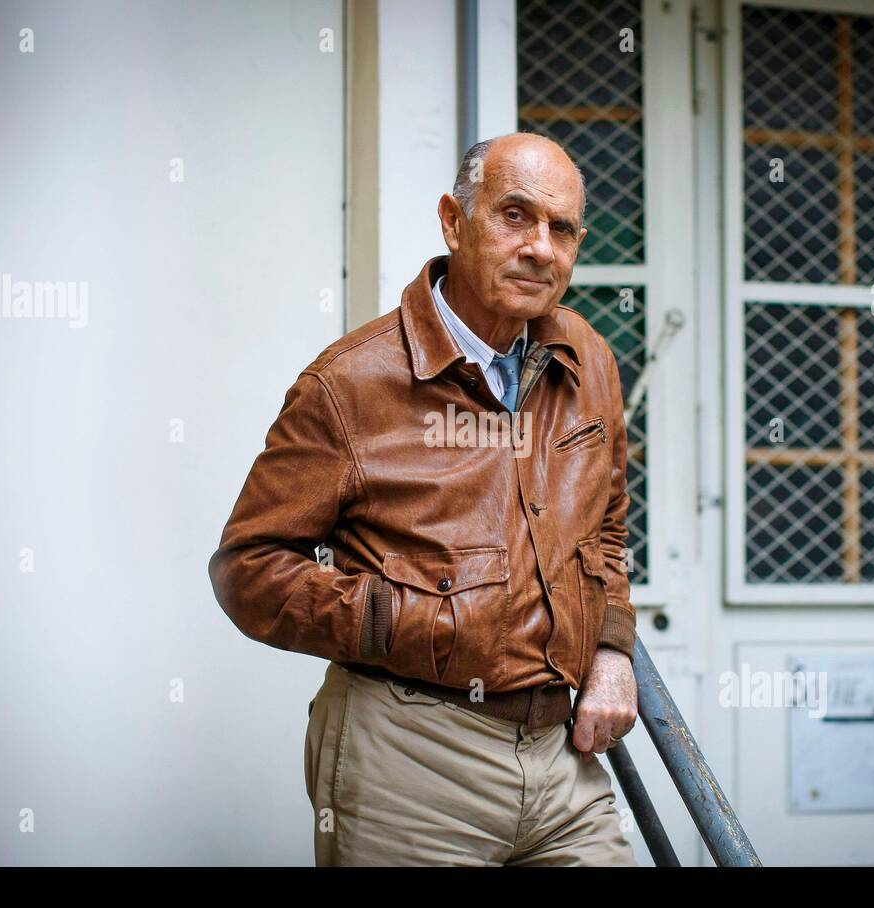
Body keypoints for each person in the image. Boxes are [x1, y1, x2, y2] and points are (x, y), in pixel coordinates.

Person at [209, 131, 639, 866]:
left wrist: (612, 646)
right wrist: (412, 619)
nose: (540, 247)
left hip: (559, 748)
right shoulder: (350, 385)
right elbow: (248, 569)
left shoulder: (586, 356)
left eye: (561, 228)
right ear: (453, 220)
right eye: (514, 216)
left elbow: (605, 523)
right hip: (409, 749)